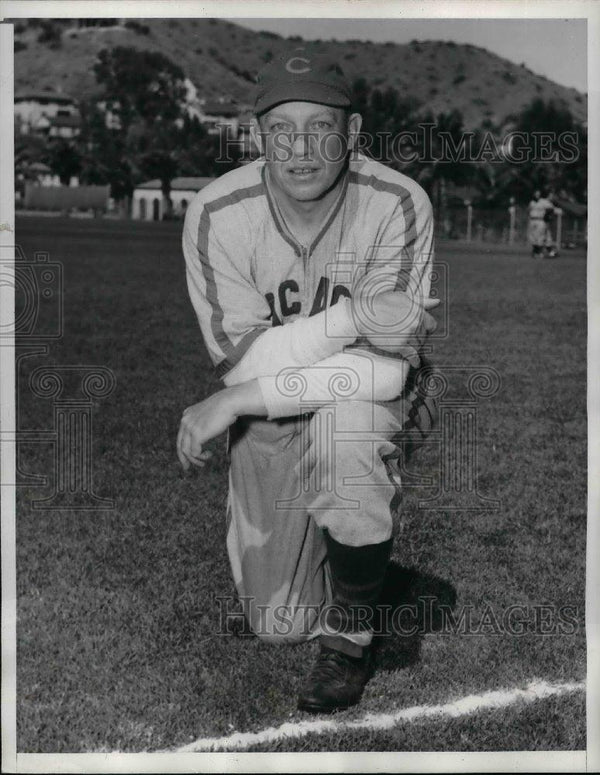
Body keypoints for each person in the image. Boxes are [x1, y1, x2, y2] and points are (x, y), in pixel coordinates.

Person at [177, 47, 439, 714]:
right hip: (272, 412)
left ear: (351, 136)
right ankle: (353, 563)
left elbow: (381, 372)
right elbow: (243, 360)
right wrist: (348, 318)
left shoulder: (397, 203)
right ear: (257, 135)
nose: (300, 149)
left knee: (348, 426)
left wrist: (237, 397)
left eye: (320, 129)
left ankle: (351, 634)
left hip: (366, 394)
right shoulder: (216, 212)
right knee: (278, 622)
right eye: (282, 130)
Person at [527, 188, 557, 258]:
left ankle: (539, 252)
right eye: (536, 194)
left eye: (538, 194)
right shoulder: (532, 202)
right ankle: (535, 252)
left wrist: (548, 216)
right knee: (532, 237)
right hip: (532, 220)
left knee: (540, 237)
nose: (537, 195)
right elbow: (528, 211)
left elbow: (551, 209)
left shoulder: (543, 201)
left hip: (540, 220)